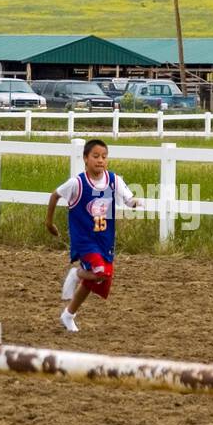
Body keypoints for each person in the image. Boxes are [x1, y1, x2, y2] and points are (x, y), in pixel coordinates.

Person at [45, 139, 142, 332]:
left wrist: (135, 203)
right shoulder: (77, 183)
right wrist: (49, 222)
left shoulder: (114, 180)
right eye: (95, 156)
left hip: (104, 240)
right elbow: (55, 195)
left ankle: (68, 314)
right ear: (85, 159)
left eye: (104, 157)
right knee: (98, 272)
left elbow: (128, 199)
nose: (100, 160)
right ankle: (76, 273)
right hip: (84, 241)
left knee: (99, 280)